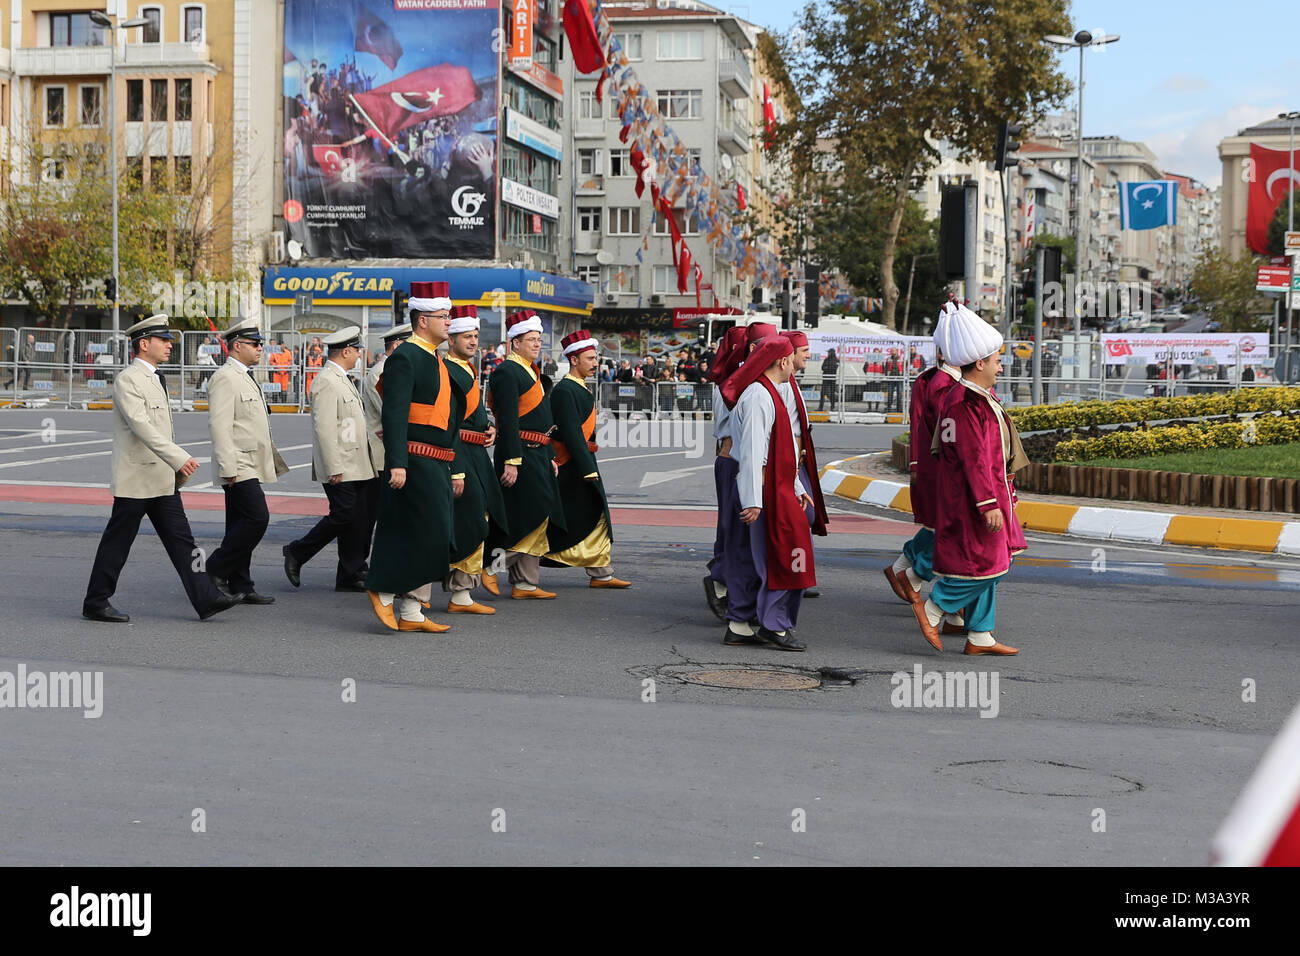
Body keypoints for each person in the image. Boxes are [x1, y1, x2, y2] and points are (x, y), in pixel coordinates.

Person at [82, 315, 240, 623]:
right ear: (144, 344)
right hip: (137, 476)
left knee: (183, 541)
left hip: (161, 478)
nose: (169, 345)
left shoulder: (156, 377)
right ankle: (96, 600)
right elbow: (142, 426)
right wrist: (178, 456)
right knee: (118, 542)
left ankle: (206, 598)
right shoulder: (128, 379)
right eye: (163, 340)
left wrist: (172, 464)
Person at [912, 305, 1028, 656]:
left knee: (992, 563)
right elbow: (976, 460)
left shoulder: (968, 397)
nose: (1000, 365)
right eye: (996, 360)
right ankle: (932, 609)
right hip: (974, 501)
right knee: (991, 566)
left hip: (981, 496)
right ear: (979, 363)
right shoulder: (966, 403)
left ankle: (980, 636)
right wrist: (989, 503)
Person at [365, 281, 461, 632]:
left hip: (436, 458)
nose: (449, 322)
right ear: (423, 320)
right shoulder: (405, 355)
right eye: (443, 316)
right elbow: (394, 412)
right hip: (415, 460)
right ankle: (383, 589)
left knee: (432, 533)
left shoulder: (433, 356)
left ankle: (411, 611)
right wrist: (398, 462)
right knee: (419, 531)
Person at [722, 335, 816, 650]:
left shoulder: (768, 392)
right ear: (782, 361)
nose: (796, 362)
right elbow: (751, 452)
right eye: (793, 356)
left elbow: (782, 448)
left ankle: (741, 623)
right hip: (763, 491)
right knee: (782, 555)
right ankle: (773, 626)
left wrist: (796, 484)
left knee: (751, 557)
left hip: (770, 487)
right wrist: (753, 501)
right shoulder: (759, 397)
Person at [885, 303, 966, 637]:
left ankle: (906, 571)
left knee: (940, 530)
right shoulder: (944, 387)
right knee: (949, 532)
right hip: (944, 469)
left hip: (938, 467)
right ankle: (923, 585)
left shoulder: (935, 380)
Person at [283, 326, 376, 592]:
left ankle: (348, 574)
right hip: (340, 464)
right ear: (346, 351)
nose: (359, 355)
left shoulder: (341, 378)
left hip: (355, 463)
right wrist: (334, 465)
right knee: (344, 514)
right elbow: (323, 428)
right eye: (357, 350)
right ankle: (297, 552)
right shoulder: (326, 380)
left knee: (355, 517)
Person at [206, 318, 288, 604]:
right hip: (238, 462)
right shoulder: (226, 377)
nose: (260, 348)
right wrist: (228, 467)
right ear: (237, 346)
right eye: (255, 344)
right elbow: (220, 426)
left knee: (239, 522)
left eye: (261, 344)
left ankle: (241, 582)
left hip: (250, 460)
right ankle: (214, 569)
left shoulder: (246, 375)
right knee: (257, 518)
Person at [488, 310, 566, 599]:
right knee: (528, 517)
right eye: (531, 339)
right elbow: (507, 419)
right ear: (514, 343)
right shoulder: (507, 372)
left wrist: (549, 456)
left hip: (538, 452)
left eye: (539, 339)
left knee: (537, 516)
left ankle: (525, 583)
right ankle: (491, 567)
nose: (537, 344)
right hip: (519, 453)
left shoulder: (530, 370)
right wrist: (511, 460)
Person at [545, 330, 631, 589]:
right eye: (591, 358)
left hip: (583, 460)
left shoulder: (579, 387)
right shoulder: (565, 390)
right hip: (572, 464)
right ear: (574, 360)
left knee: (595, 515)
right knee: (561, 519)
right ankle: (511, 559)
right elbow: (571, 433)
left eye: (596, 358)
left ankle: (601, 572)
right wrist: (586, 469)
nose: (596, 363)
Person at [442, 304, 508, 613]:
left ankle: (464, 590)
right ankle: (459, 592)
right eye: (466, 336)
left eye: (476, 335)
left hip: (475, 452)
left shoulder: (466, 368)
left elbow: (474, 414)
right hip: (460, 454)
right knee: (470, 518)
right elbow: (450, 422)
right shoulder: (448, 369)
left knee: (482, 515)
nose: (473, 341)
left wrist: (489, 426)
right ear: (450, 339)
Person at [779, 330, 831, 597]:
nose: (809, 356)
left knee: (806, 516)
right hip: (789, 462)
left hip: (799, 459)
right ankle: (794, 575)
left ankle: (801, 574)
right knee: (801, 516)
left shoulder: (792, 382)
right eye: (804, 351)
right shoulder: (781, 386)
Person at [359, 322, 412, 576]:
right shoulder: (382, 372)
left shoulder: (394, 368)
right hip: (381, 454)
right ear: (399, 345)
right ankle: (367, 566)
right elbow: (394, 414)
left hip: (391, 449)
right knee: (376, 515)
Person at [818, 347, 838, 411]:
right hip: (825, 378)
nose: (828, 353)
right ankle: (820, 407)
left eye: (829, 352)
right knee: (823, 393)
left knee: (832, 393)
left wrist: (827, 368)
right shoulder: (826, 360)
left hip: (832, 379)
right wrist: (827, 368)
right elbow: (823, 367)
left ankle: (832, 407)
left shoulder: (836, 360)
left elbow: (833, 368)